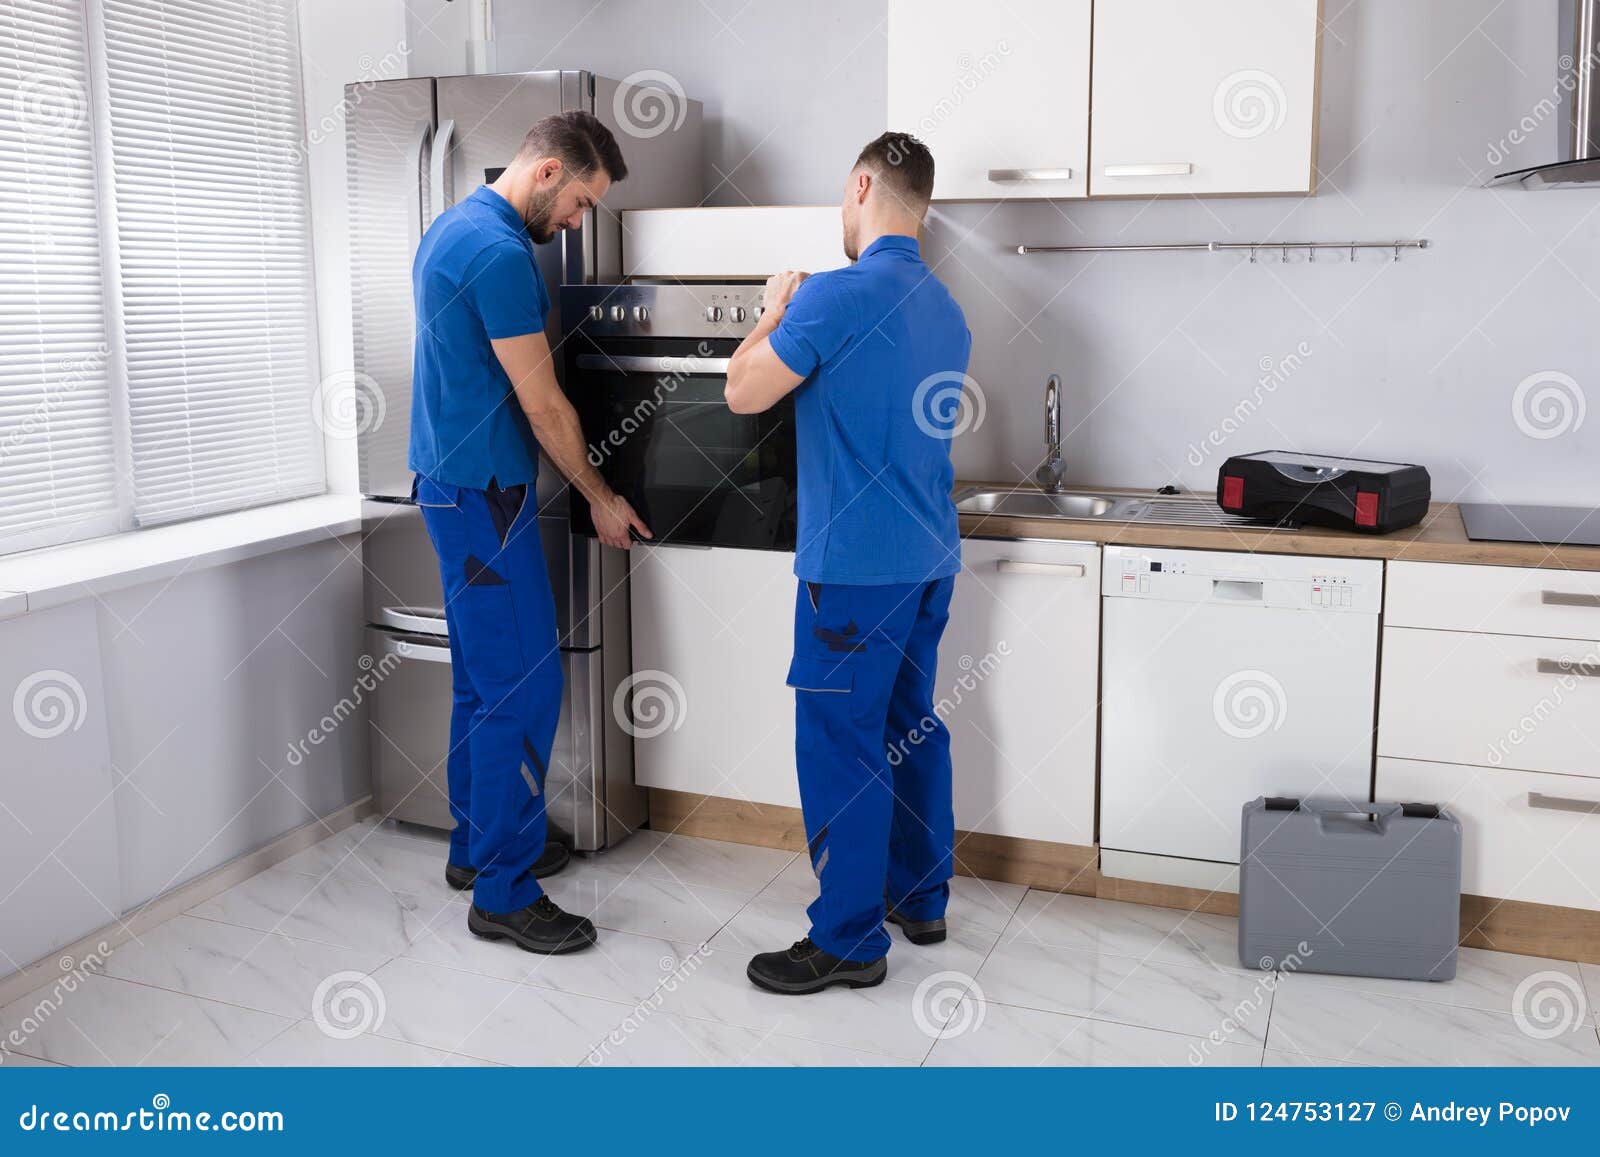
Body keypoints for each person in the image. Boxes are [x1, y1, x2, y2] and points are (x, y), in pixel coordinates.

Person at [723, 132, 972, 993]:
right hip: (928, 559)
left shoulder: (833, 295)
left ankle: (849, 937)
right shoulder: (947, 307)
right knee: (909, 724)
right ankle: (921, 898)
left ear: (862, 185)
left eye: (843, 193)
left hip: (856, 570)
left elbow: (741, 391)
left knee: (841, 741)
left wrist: (772, 310)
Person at [408, 111, 651, 955]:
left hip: (450, 486)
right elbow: (544, 406)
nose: (578, 222)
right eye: (580, 201)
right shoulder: (500, 254)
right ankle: (505, 891)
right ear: (547, 171)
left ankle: (476, 846)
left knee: (484, 682)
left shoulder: (455, 226)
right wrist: (600, 495)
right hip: (484, 496)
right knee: (525, 688)